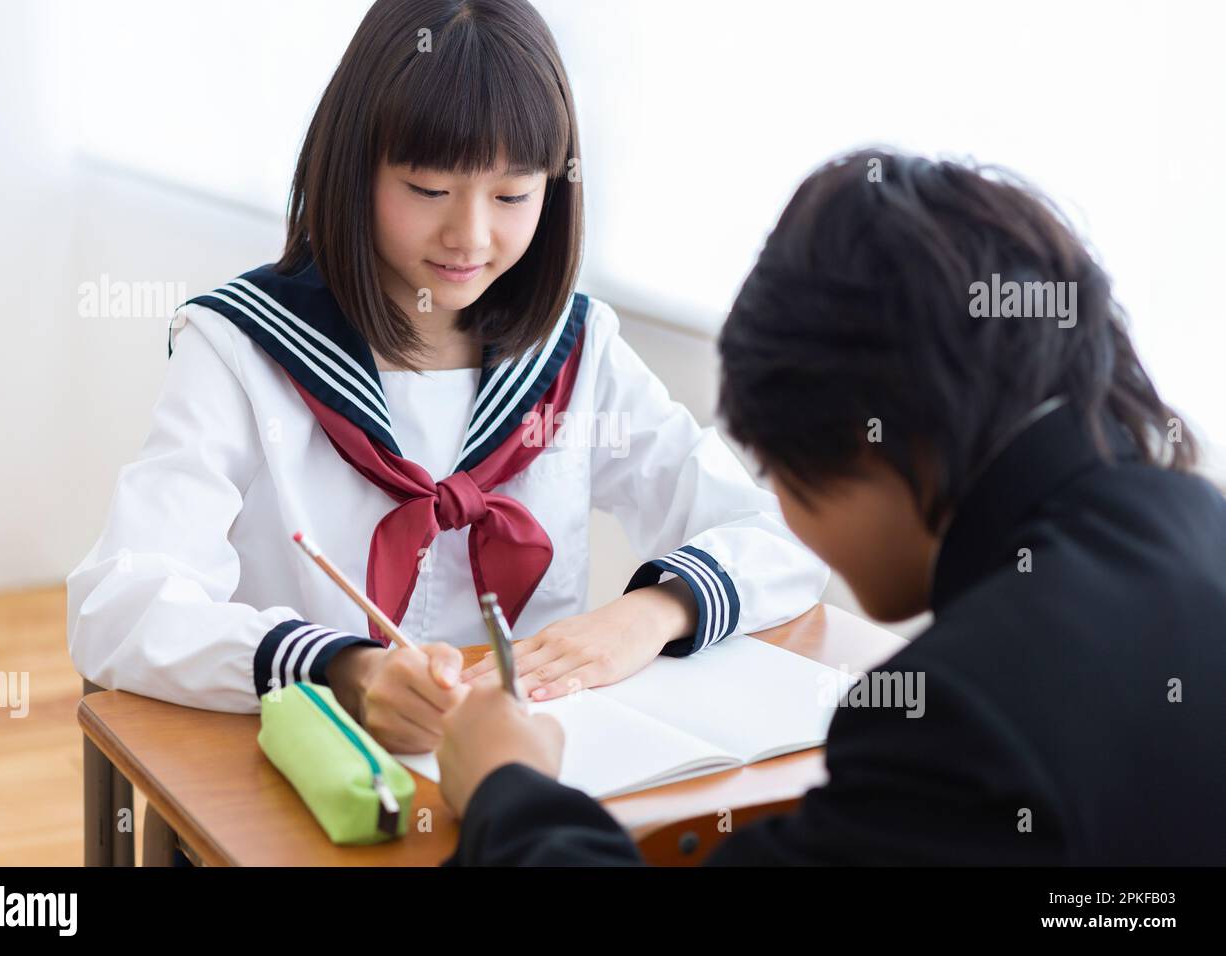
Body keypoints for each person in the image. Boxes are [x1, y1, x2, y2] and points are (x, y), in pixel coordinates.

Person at [64, 0, 826, 757]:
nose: (470, 236)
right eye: (429, 190)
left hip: (521, 773)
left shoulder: (576, 351)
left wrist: (652, 613)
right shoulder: (241, 349)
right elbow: (119, 606)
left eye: (513, 195)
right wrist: (343, 669)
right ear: (353, 168)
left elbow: (786, 533)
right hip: (309, 766)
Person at [436, 149, 1226, 866]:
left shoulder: (962, 723)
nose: (785, 511)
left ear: (864, 441)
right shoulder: (1198, 520)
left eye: (778, 470)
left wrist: (508, 787)